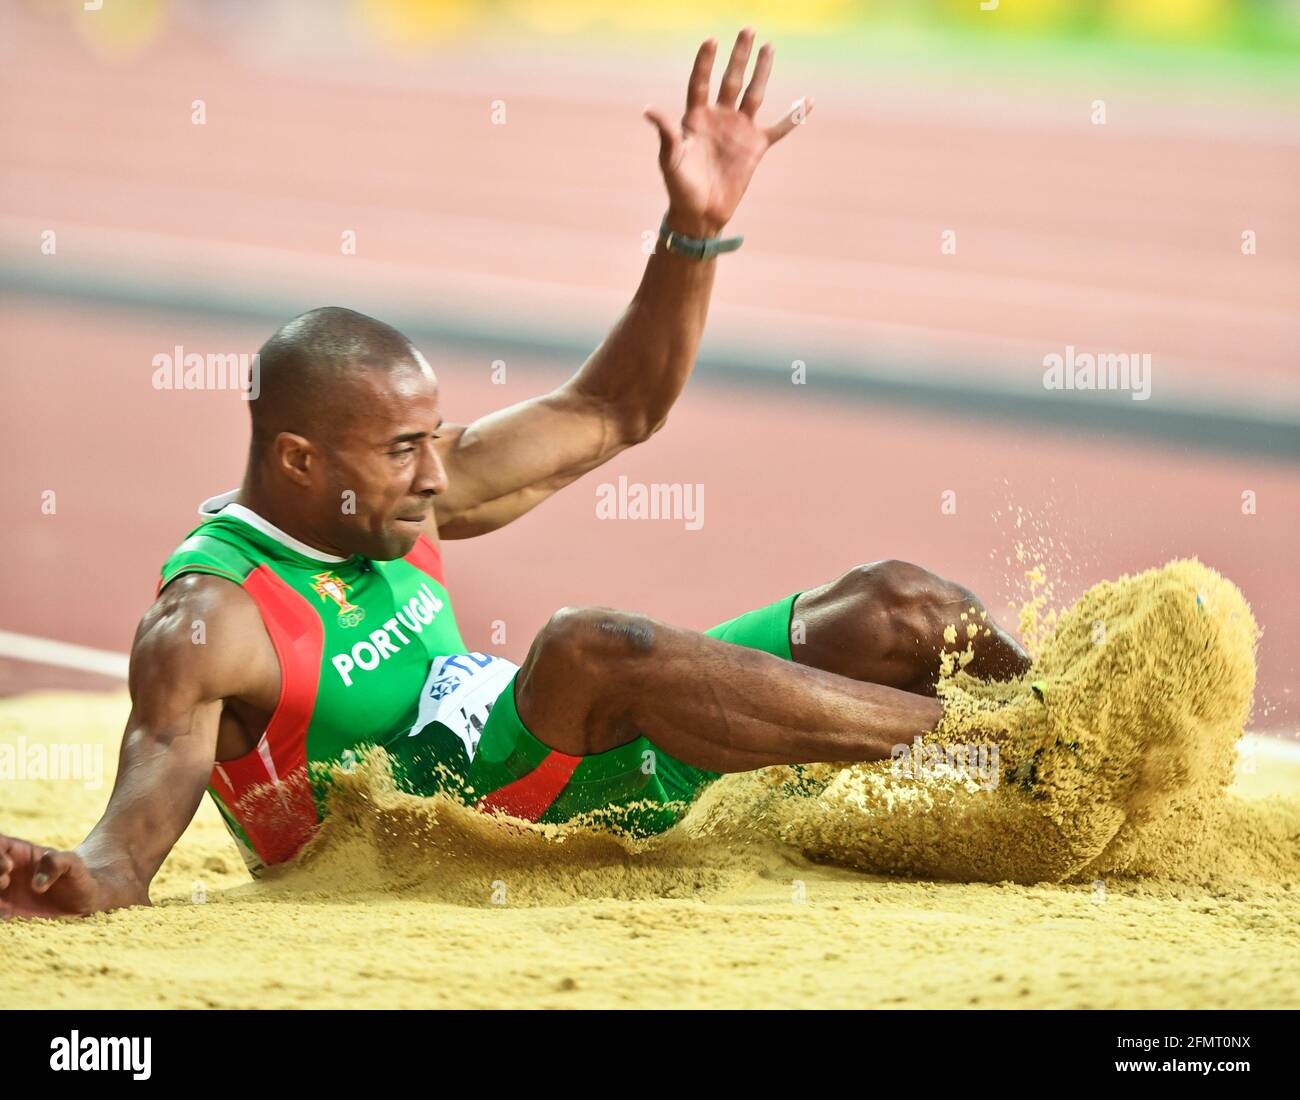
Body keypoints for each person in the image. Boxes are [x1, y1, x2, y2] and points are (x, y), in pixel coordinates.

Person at [0, 29, 1028, 919]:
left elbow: (615, 408)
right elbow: (123, 851)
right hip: (461, 834)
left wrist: (695, 231)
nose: (434, 473)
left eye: (433, 439)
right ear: (300, 459)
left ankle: (1080, 732)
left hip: (580, 762)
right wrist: (77, 876)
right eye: (403, 449)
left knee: (897, 603)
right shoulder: (210, 622)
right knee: (587, 643)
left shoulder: (403, 501)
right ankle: (1015, 747)